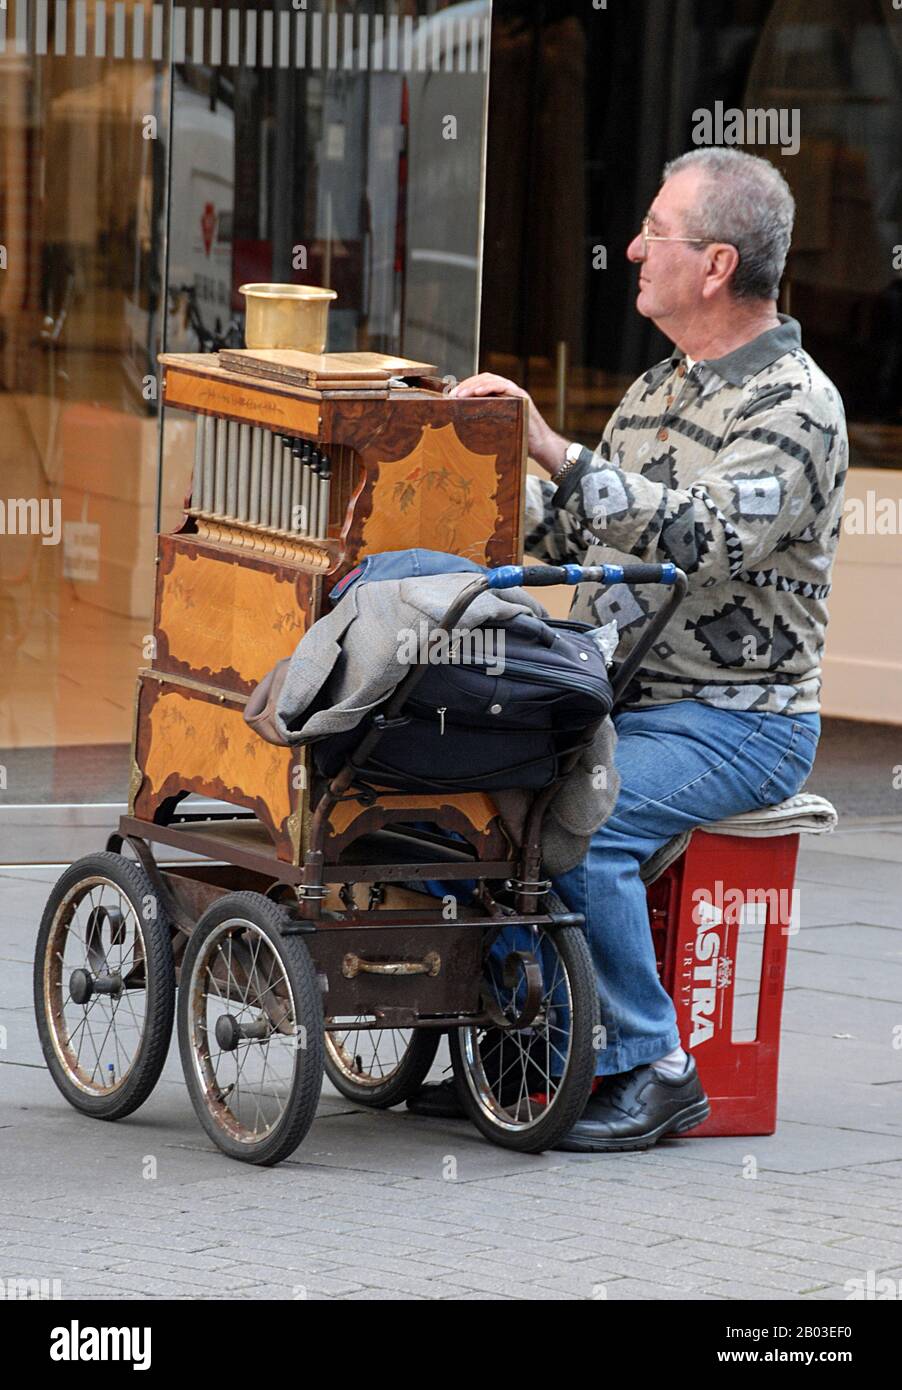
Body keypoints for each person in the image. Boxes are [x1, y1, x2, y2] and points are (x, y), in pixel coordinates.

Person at [406, 146, 848, 1151]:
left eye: (658, 231)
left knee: (583, 822)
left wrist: (553, 447)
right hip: (622, 695)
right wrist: (447, 472)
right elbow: (567, 535)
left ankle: (654, 1065)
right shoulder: (657, 387)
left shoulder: (793, 406)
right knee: (451, 783)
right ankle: (524, 1044)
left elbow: (699, 535)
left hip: (739, 718)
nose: (633, 248)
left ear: (715, 266)